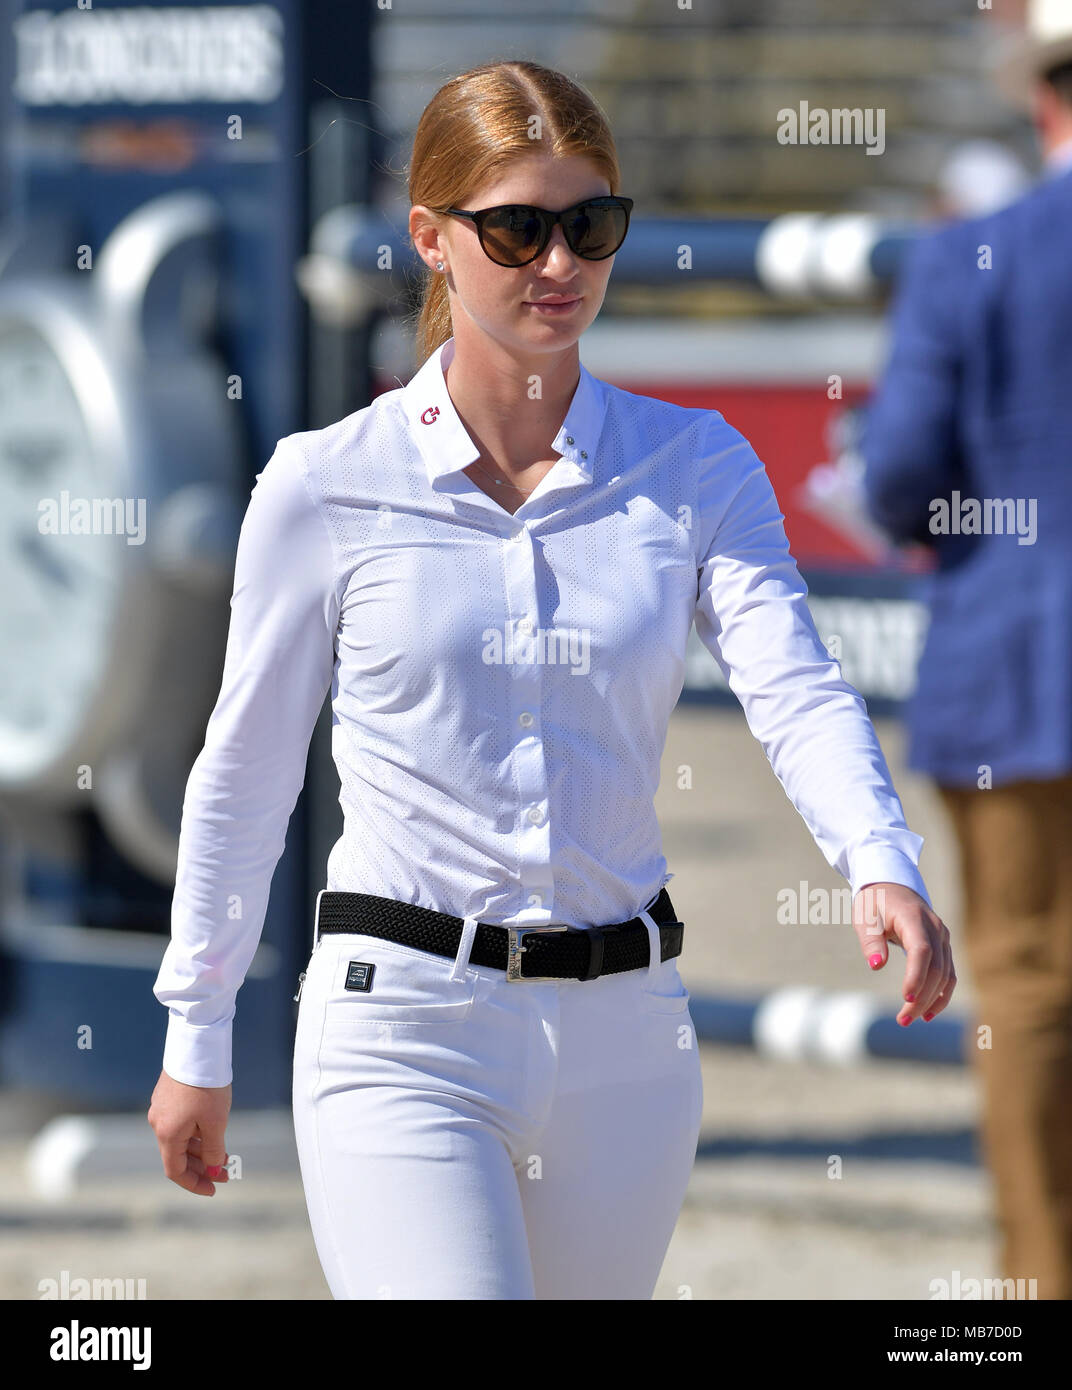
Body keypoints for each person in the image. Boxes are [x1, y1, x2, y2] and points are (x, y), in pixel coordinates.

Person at [148, 59, 954, 1301]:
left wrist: (878, 855)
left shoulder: (693, 462)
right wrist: (195, 1031)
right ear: (430, 237)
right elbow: (244, 774)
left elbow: (792, 682)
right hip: (401, 1025)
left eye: (591, 226)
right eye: (517, 228)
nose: (558, 263)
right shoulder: (323, 483)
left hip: (629, 1041)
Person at [862, 1, 1072, 1303]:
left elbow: (898, 481)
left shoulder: (971, 260)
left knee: (1032, 985)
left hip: (1016, 670)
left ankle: (1046, 1276)